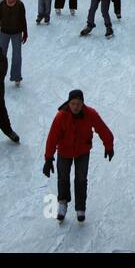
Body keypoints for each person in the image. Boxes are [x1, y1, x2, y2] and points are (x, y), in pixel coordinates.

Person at [43, 90, 114, 223]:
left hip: (82, 151)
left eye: (79, 104)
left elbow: (102, 129)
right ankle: (63, 202)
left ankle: (80, 207)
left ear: (83, 103)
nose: (76, 107)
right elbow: (52, 138)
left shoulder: (90, 114)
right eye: (73, 103)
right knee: (63, 177)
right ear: (68, 103)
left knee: (81, 179)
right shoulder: (61, 116)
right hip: (64, 151)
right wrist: (48, 158)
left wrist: (109, 145)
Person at [0, 0, 27, 83]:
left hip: (16, 33)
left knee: (17, 55)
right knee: (0, 55)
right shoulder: (2, 4)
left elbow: (23, 20)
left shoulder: (20, 5)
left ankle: (16, 76)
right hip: (4, 33)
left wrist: (25, 33)